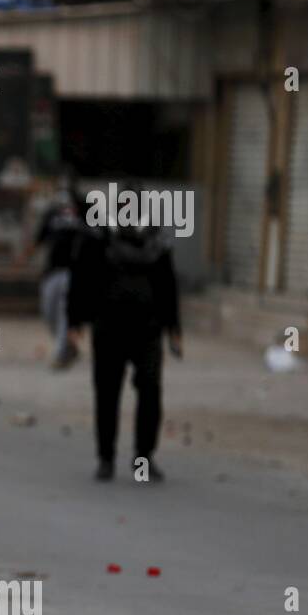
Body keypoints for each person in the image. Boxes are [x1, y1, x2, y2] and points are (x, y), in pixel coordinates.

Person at [67, 190, 182, 482]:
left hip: (147, 331)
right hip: (109, 329)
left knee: (150, 393)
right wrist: (75, 321)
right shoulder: (100, 239)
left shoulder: (156, 242)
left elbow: (168, 286)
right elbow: (82, 279)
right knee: (107, 395)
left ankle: (144, 458)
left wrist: (174, 329)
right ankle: (106, 458)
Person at [24, 169, 86, 369]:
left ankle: (62, 355)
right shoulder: (52, 211)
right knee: (49, 312)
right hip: (52, 271)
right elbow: (40, 238)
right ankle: (69, 345)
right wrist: (24, 257)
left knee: (64, 313)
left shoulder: (86, 209)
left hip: (75, 272)